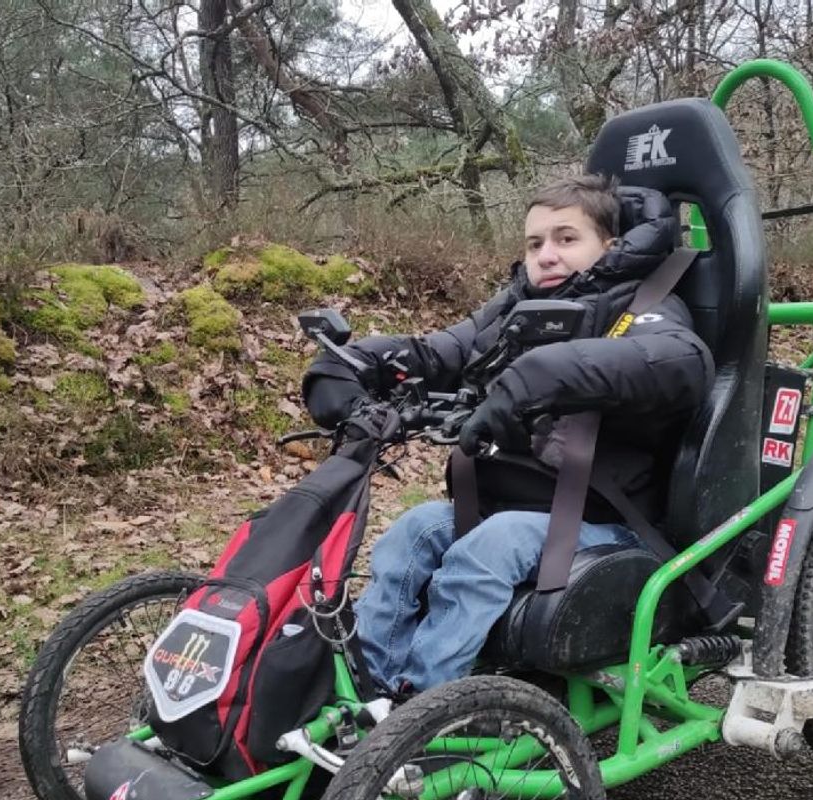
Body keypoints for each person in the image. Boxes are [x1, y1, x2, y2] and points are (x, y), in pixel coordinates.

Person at [301, 174, 713, 695]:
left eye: (567, 239)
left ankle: (423, 707)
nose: (546, 254)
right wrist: (355, 365)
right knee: (413, 530)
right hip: (510, 508)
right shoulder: (514, 309)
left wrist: (540, 375)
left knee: (489, 548)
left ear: (610, 246)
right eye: (535, 242)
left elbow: (683, 360)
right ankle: (368, 692)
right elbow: (436, 353)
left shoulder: (639, 304)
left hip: (604, 520)